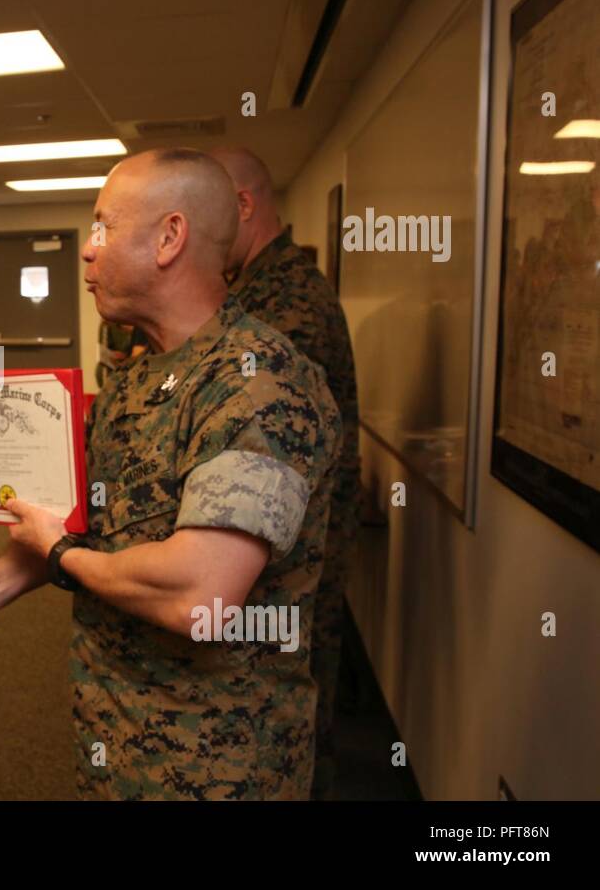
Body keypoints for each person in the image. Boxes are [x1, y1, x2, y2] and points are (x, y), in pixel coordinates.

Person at [0, 149, 341, 799]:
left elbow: (198, 593)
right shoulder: (136, 378)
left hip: (218, 765)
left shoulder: (259, 383)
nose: (87, 252)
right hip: (115, 741)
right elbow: (77, 531)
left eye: (102, 227)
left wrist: (61, 555)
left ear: (169, 238)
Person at [209, 146, 361, 799]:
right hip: (277, 548)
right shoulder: (258, 285)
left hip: (289, 553)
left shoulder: (285, 301)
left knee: (291, 717)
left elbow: (248, 431)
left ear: (243, 207)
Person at [95, 320, 150, 388]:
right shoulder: (136, 330)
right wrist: (124, 357)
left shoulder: (140, 327)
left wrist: (123, 363)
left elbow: (137, 357)